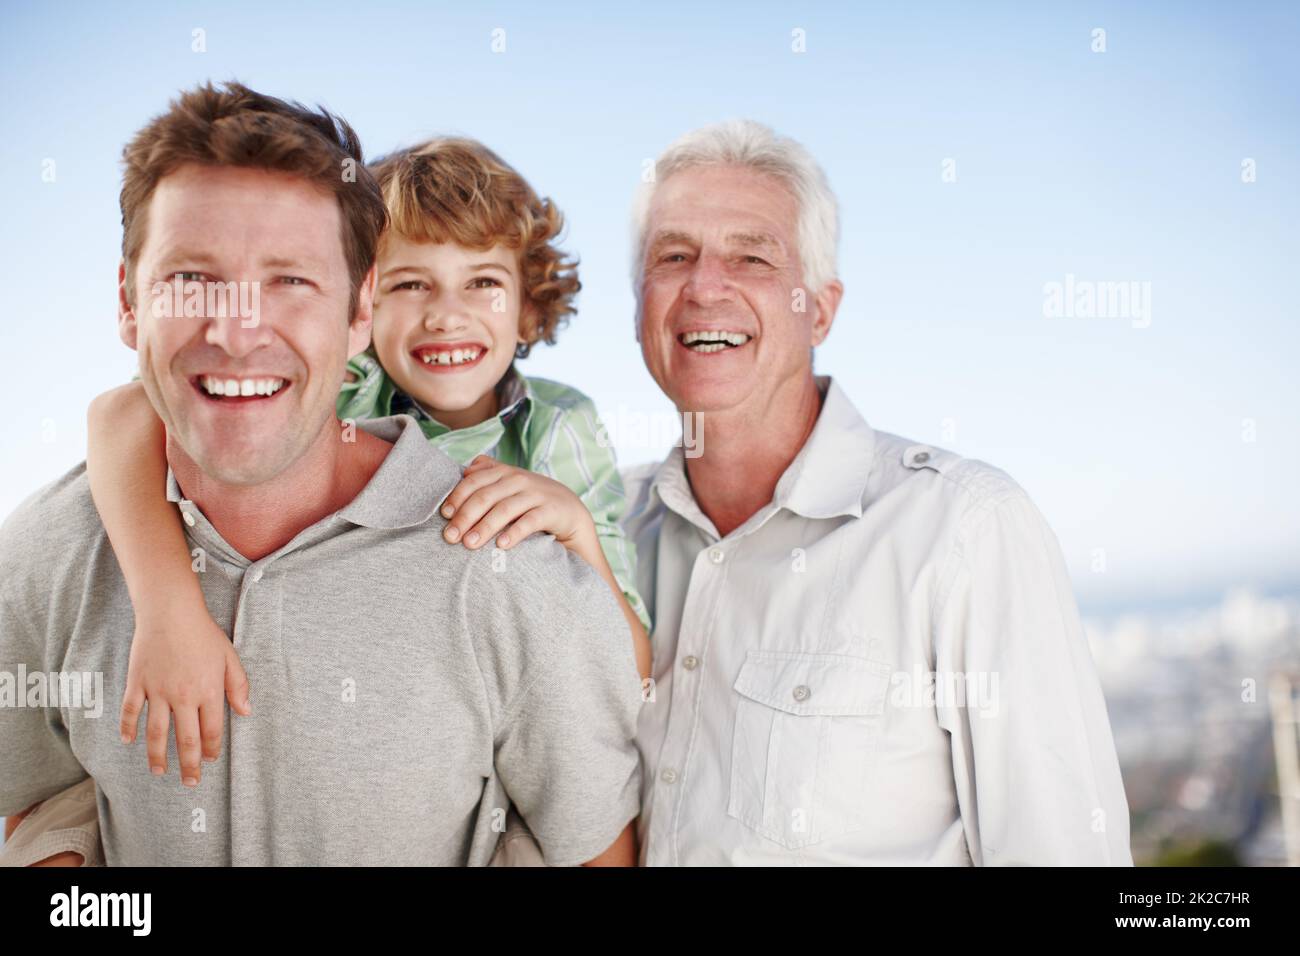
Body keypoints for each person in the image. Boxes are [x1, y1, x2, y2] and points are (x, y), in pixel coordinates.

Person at [0, 81, 642, 866]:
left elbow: (596, 847)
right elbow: (37, 793)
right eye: (192, 278)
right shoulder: (46, 554)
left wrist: (574, 534)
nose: (237, 334)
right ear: (129, 303)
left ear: (355, 312)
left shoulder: (517, 564)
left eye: (290, 280)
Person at [621, 119, 1134, 865]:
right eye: (674, 256)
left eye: (751, 256)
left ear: (820, 309)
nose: (705, 286)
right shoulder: (598, 530)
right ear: (639, 304)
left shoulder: (963, 531)